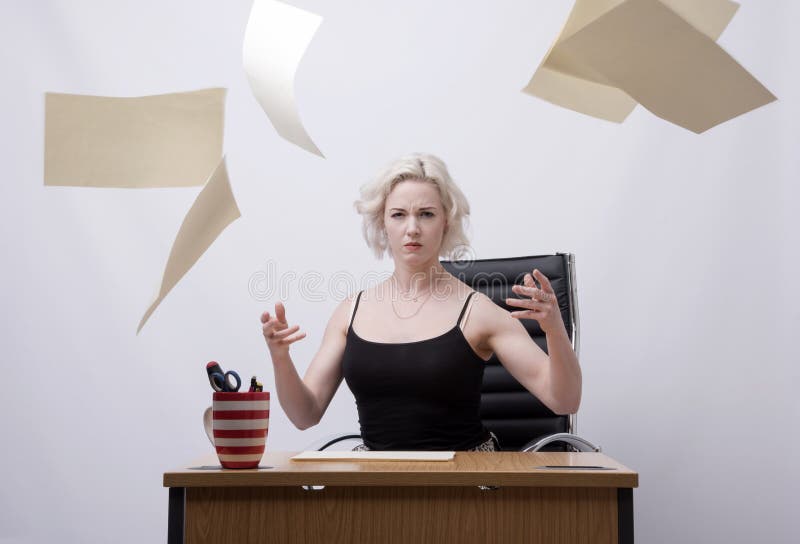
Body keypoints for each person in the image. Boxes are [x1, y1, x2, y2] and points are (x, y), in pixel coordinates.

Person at [260, 153, 581, 451]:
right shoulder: (350, 312)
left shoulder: (479, 312)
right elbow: (305, 415)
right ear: (382, 223)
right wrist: (280, 358)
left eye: (426, 214)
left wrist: (553, 329)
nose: (412, 228)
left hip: (464, 487)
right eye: (398, 215)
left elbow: (564, 400)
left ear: (446, 222)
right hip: (377, 489)